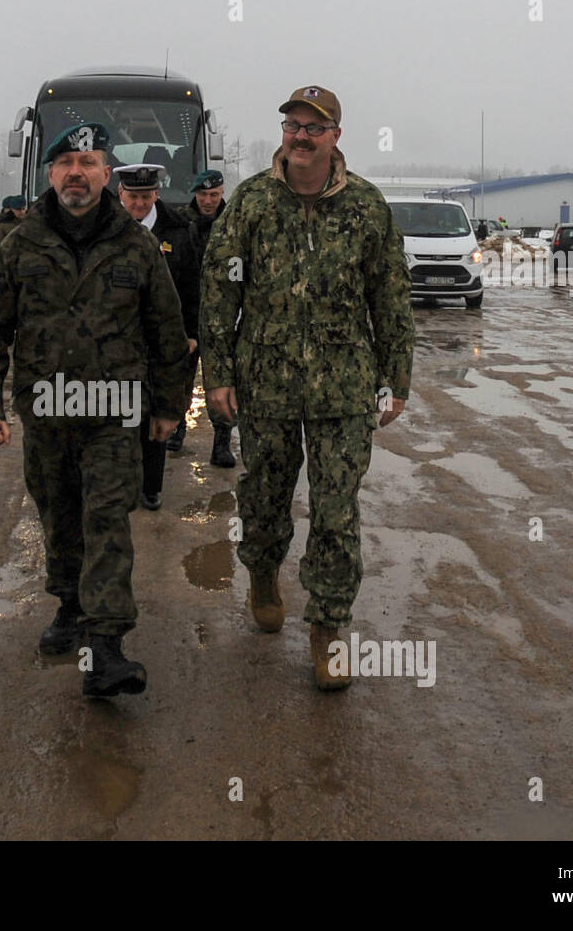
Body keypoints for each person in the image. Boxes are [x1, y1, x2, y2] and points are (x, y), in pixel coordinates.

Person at [201, 86, 415, 691]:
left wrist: (395, 379)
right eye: (293, 125)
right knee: (264, 498)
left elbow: (390, 296)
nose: (300, 136)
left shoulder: (367, 207)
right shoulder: (251, 204)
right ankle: (264, 573)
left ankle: (328, 627)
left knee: (336, 513)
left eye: (313, 128)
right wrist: (217, 372)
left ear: (335, 138)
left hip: (344, 388)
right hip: (264, 382)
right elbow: (219, 292)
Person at [0, 123, 189, 698]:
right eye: (65, 162)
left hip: (115, 412)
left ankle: (106, 646)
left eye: (88, 162)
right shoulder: (23, 241)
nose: (76, 173)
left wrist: (168, 406)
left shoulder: (134, 242)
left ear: (105, 173)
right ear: (49, 174)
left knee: (108, 518)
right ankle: (69, 605)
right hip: (46, 408)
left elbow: (166, 325)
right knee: (58, 513)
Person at [115, 163, 199, 510]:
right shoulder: (105, 229)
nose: (140, 204)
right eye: (133, 197)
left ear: (157, 194)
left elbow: (193, 286)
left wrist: (192, 334)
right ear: (120, 195)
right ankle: (119, 483)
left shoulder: (178, 232)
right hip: (117, 340)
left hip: (162, 340)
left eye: (146, 197)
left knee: (157, 411)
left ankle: (151, 486)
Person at [185, 169, 235, 468]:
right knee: (180, 377)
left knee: (223, 380)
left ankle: (222, 443)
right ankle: (176, 430)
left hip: (223, 316)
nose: (208, 200)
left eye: (214, 195)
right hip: (187, 311)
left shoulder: (233, 223)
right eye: (203, 195)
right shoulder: (180, 222)